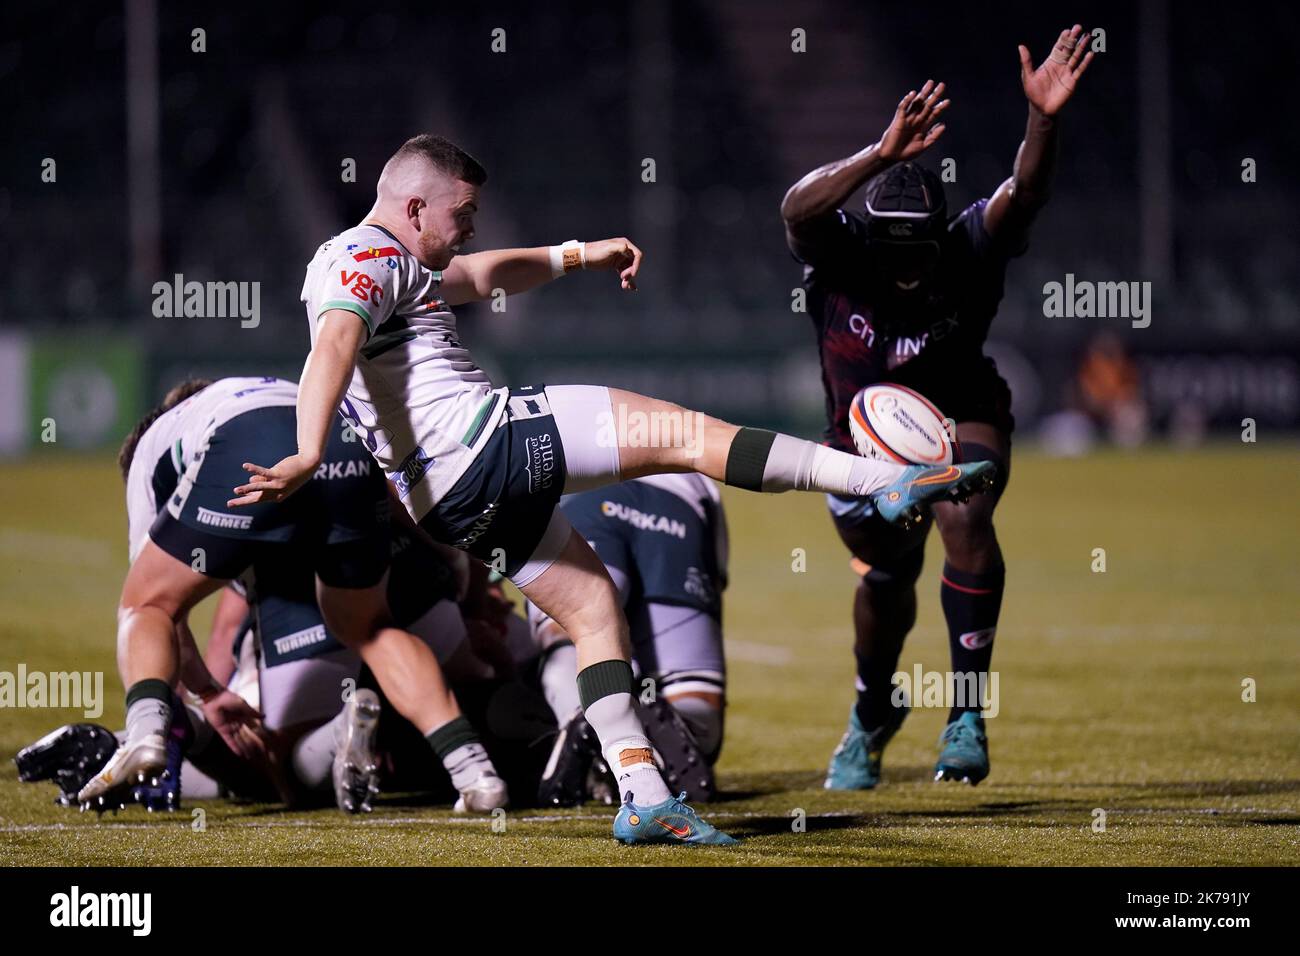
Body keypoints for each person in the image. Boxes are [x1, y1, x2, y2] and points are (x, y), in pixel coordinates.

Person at [231, 135, 995, 845]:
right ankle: (885, 481)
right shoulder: (360, 259)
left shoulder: (399, 262)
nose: (468, 227)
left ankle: (641, 792)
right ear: (415, 207)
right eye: (461, 214)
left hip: (450, 497)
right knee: (689, 438)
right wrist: (306, 450)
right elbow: (332, 340)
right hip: (484, 443)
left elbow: (487, 273)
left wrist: (577, 255)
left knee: (594, 608)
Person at [779, 25, 1094, 788]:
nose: (912, 268)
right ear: (871, 241)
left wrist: (1043, 120)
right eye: (898, 253)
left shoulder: (969, 249)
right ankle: (871, 713)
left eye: (924, 251)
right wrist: (878, 158)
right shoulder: (841, 251)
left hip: (961, 412)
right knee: (884, 583)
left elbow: (1028, 193)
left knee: (963, 511)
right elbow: (794, 210)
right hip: (858, 443)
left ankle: (965, 710)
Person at [77, 377, 508, 813]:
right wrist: (468, 579)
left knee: (147, 603)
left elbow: (166, 614)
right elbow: (404, 497)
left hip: (251, 450)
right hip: (340, 443)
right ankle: (474, 772)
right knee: (372, 629)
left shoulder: (151, 456)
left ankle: (147, 732)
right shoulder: (246, 392)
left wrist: (207, 693)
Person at [529, 473, 728, 806]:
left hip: (577, 494)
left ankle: (582, 714)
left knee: (573, 631)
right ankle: (647, 716)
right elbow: (717, 572)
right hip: (679, 496)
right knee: (702, 727)